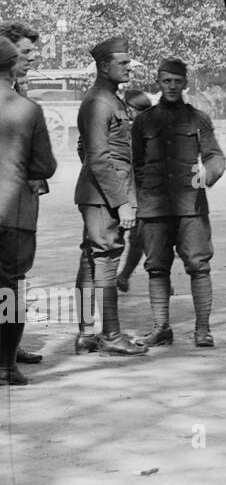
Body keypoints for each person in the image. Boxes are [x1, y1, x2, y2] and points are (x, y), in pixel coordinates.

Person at [132, 58, 226, 348]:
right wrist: (137, 204)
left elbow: (214, 156)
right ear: (158, 82)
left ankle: (202, 329)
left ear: (185, 83)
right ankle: (161, 327)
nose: (172, 86)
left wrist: (208, 174)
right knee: (157, 267)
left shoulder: (198, 119)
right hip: (155, 206)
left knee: (199, 266)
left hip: (190, 207)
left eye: (177, 81)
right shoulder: (144, 121)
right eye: (166, 81)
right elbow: (136, 166)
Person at [73, 37, 146, 356]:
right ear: (104, 67)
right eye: (123, 63)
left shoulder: (107, 99)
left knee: (91, 260)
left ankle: (87, 333)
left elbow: (86, 151)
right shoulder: (99, 102)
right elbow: (99, 157)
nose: (129, 66)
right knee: (105, 260)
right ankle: (111, 335)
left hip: (98, 193)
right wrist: (121, 201)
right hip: (104, 196)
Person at [0, 36, 57, 384]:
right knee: (9, 290)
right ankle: (6, 367)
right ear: (11, 67)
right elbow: (45, 166)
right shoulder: (27, 109)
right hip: (16, 215)